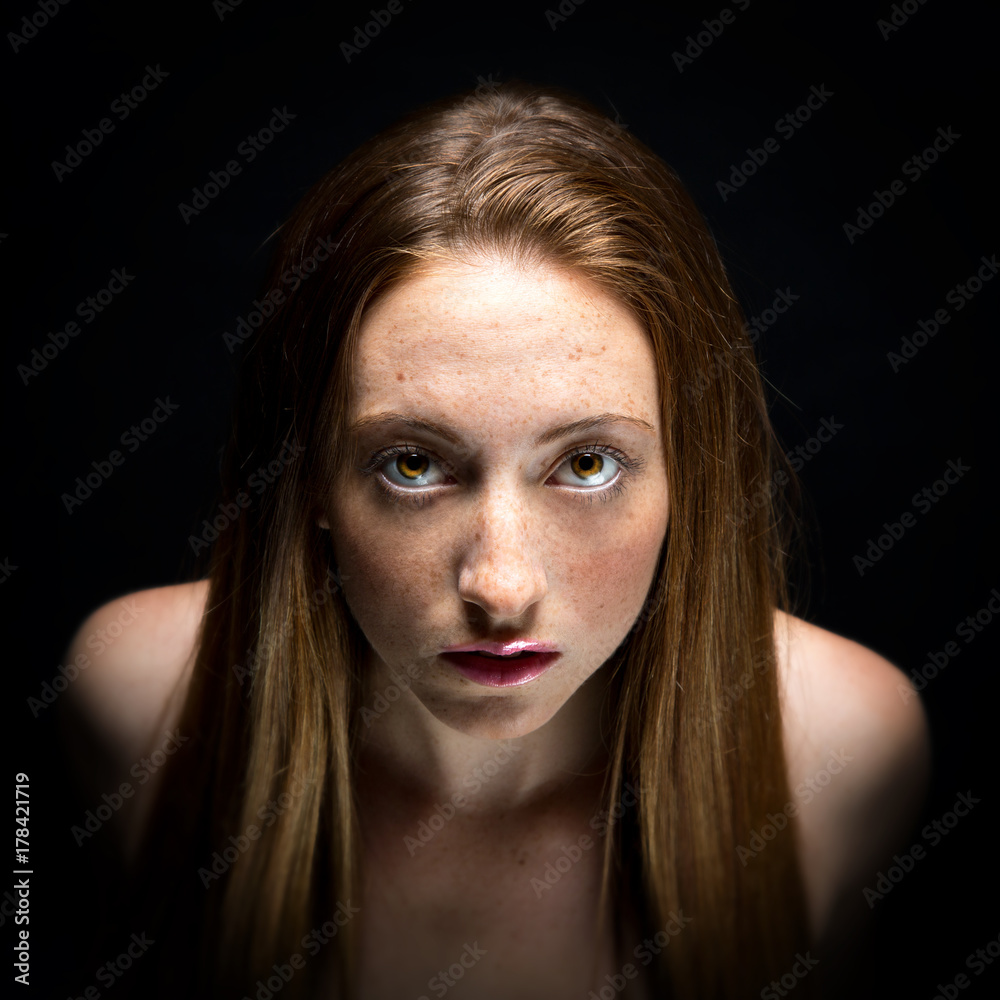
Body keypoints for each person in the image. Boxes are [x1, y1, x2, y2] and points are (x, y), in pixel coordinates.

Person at [65, 81, 930, 1000]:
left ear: (690, 470)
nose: (503, 588)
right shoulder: (141, 706)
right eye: (412, 465)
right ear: (308, 478)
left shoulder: (842, 749)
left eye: (588, 464)